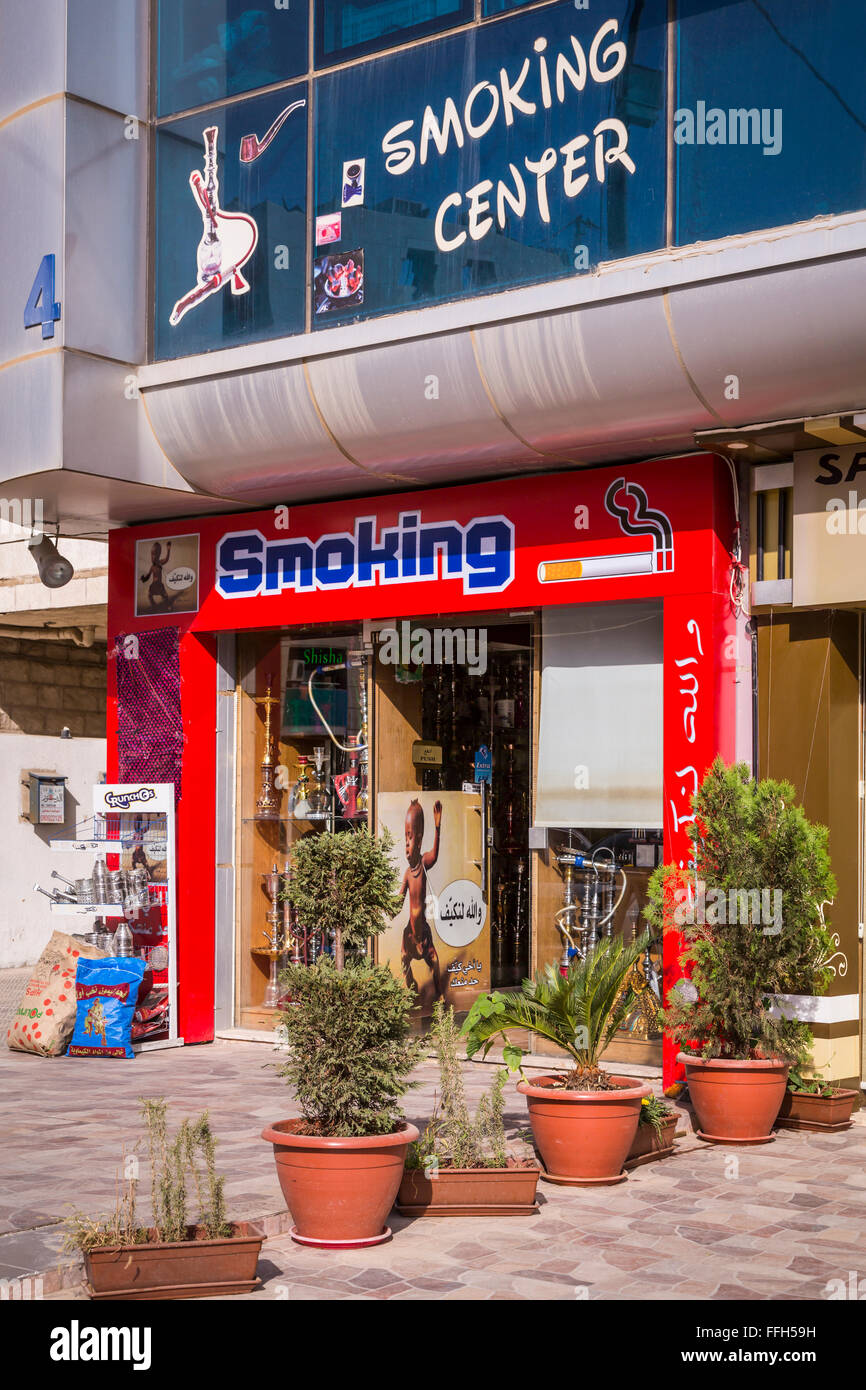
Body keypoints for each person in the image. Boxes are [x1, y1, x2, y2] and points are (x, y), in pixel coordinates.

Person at [399, 799, 445, 1001]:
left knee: (434, 960)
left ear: (418, 841)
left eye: (410, 839)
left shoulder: (423, 863)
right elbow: (399, 899)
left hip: (423, 932)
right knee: (403, 959)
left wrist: (437, 826)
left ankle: (439, 992)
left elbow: (434, 855)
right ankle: (410, 983)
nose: (407, 845)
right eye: (405, 839)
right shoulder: (408, 874)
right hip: (410, 933)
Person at [139, 541, 177, 612]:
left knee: (165, 596)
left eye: (155, 554)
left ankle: (168, 605)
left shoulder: (160, 563)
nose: (153, 557)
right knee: (150, 595)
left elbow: (166, 559)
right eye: (152, 554)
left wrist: (168, 549)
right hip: (153, 585)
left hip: (159, 585)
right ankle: (154, 605)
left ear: (159, 555)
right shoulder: (152, 567)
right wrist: (143, 578)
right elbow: (148, 576)